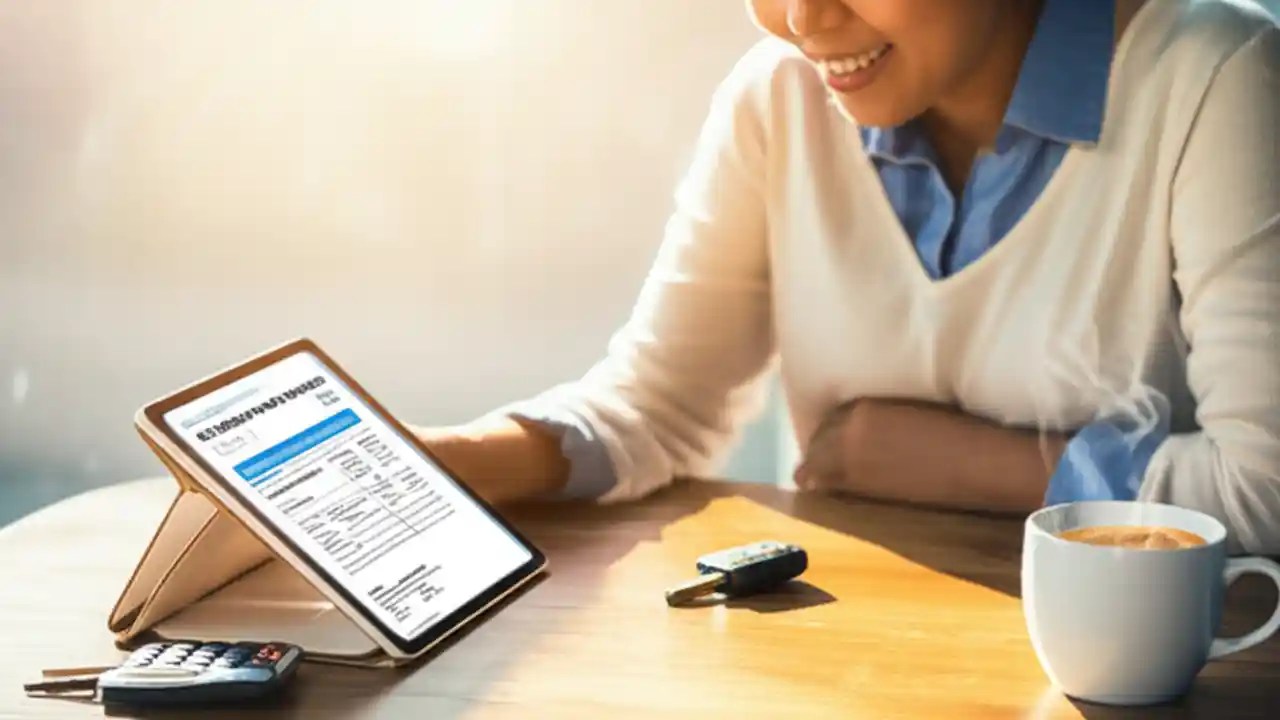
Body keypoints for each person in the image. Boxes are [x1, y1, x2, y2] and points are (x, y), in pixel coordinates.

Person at [414, 0, 1280, 554]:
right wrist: (430, 464)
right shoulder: (779, 98)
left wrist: (942, 462)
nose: (800, 17)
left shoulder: (1215, 74)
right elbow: (653, 409)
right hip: (867, 653)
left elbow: (1265, 490)